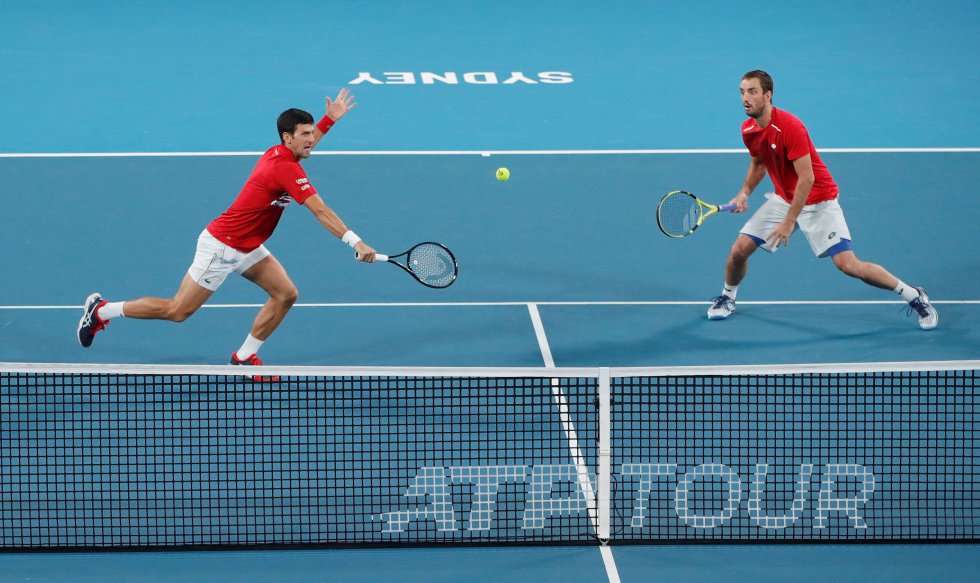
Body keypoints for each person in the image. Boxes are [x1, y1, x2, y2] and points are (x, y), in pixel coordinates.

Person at [77, 89, 377, 375]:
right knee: (178, 311)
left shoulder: (284, 154)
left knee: (285, 294)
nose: (311, 139)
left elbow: (309, 144)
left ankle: (244, 357)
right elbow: (320, 210)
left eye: (312, 133)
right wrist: (356, 242)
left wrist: (330, 120)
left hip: (247, 245)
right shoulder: (286, 169)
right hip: (222, 247)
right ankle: (102, 311)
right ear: (288, 138)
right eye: (305, 134)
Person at [707, 70, 938, 329]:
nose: (745, 98)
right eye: (742, 92)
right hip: (785, 198)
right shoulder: (749, 128)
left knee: (848, 265)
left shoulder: (791, 127)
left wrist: (788, 221)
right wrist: (744, 192)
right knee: (739, 250)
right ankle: (727, 298)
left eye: (752, 91)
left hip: (818, 199)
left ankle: (914, 295)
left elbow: (807, 178)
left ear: (768, 95)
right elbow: (759, 163)